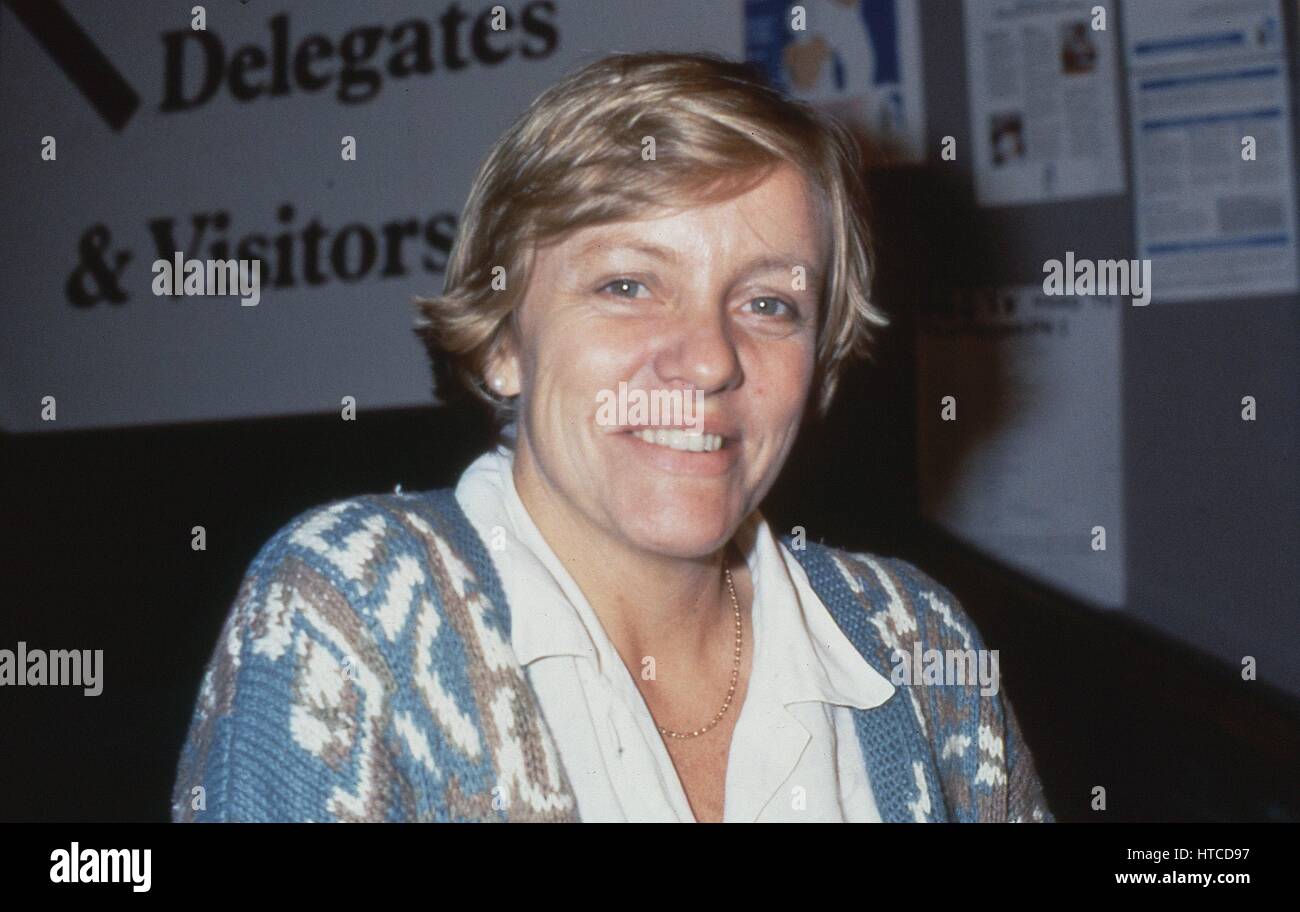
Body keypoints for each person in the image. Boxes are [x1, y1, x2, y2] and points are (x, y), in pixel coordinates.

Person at [171, 51, 1052, 823]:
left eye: (769, 303)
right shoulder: (350, 609)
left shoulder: (916, 639)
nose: (708, 359)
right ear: (505, 339)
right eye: (629, 286)